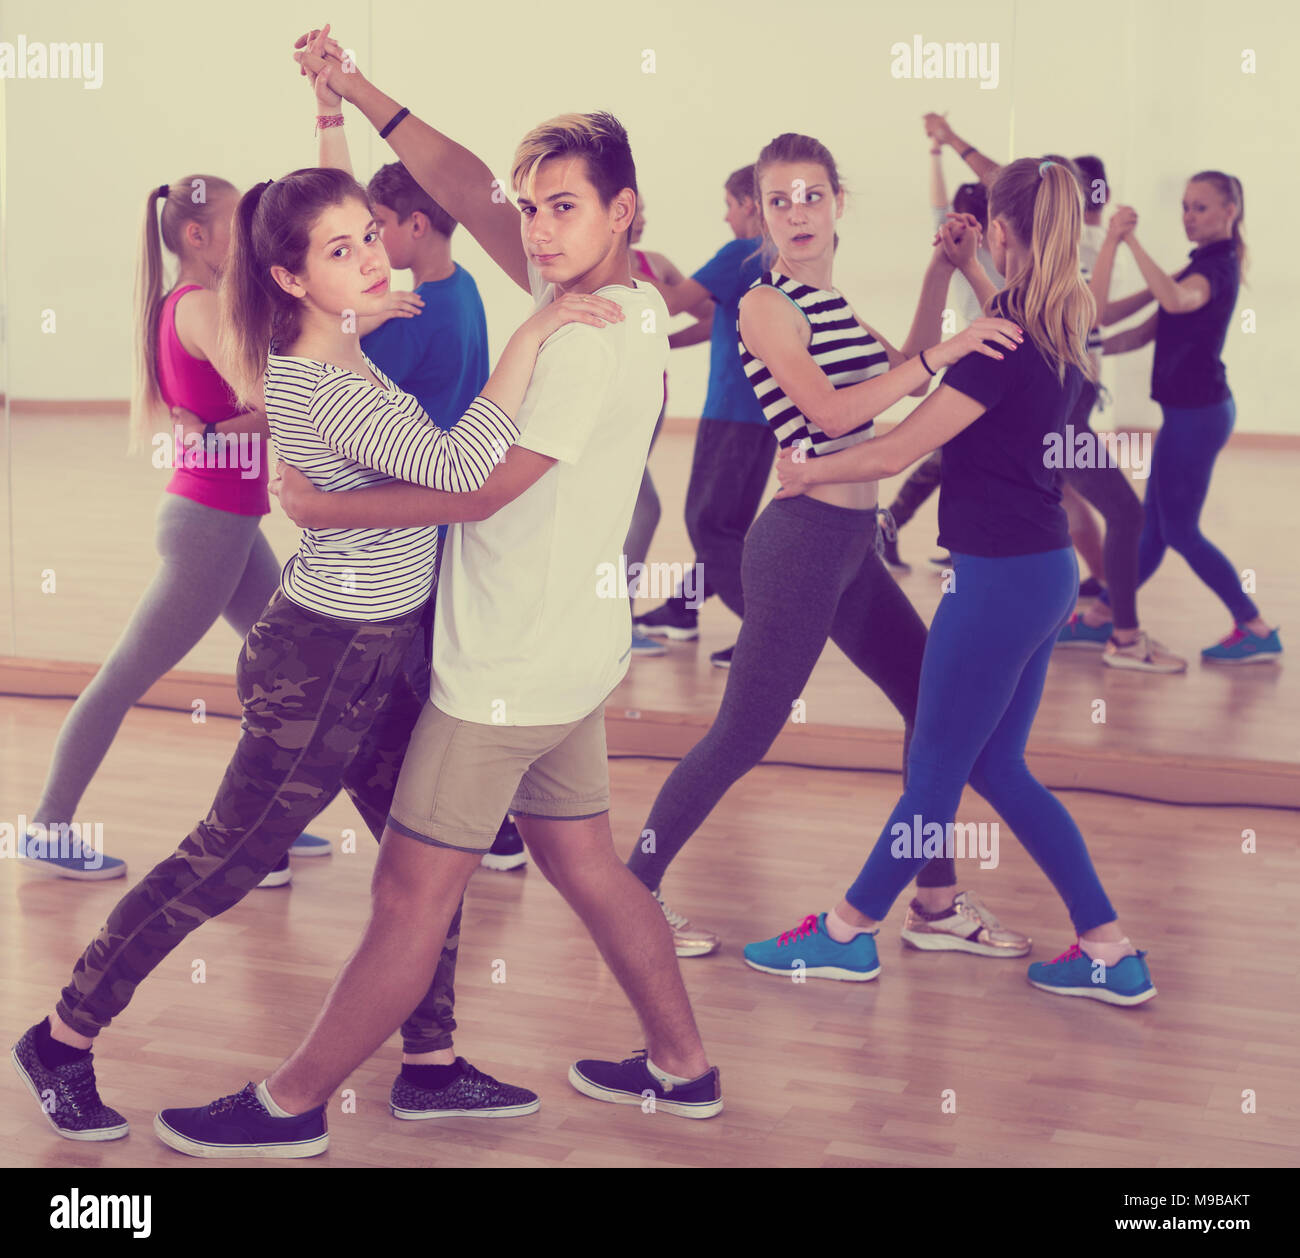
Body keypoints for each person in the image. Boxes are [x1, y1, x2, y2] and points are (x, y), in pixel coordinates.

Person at [148, 30, 720, 1159]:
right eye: (533, 207)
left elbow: (471, 495)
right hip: (572, 651)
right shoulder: (637, 299)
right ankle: (682, 1066)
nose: (540, 227)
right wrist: (358, 93)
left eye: (566, 206)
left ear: (625, 212)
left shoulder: (579, 344)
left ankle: (288, 1105)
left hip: (502, 670)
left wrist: (313, 508)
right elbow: (468, 191)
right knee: (585, 863)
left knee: (409, 895)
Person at [10, 146, 608, 1141]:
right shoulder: (323, 384)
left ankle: (431, 1059)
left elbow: (350, 308)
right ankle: (62, 1036)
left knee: (433, 851)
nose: (372, 257)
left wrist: (337, 114)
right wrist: (538, 324)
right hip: (325, 658)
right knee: (224, 861)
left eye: (370, 234)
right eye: (341, 250)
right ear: (291, 277)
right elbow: (462, 465)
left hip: (383, 648)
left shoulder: (336, 341)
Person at [747, 158, 1157, 1009]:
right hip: (1044, 575)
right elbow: (988, 373)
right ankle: (1110, 949)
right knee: (1001, 768)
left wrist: (807, 476)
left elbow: (900, 449)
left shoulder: (999, 338)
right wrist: (964, 267)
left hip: (997, 584)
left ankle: (846, 931)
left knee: (934, 778)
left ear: (1001, 231)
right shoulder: (1056, 320)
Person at [626, 132, 1031, 966]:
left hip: (853, 542)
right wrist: (940, 350)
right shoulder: (765, 305)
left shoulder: (834, 304)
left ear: (838, 202)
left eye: (812, 195)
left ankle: (935, 902)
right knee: (744, 732)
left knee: (932, 710)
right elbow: (836, 413)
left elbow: (905, 372)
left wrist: (942, 274)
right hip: (802, 543)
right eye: (780, 200)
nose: (798, 212)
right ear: (763, 218)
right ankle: (633, 891)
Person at [18, 175, 342, 885]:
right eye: (237, 229)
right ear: (197, 237)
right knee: (124, 675)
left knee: (288, 666)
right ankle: (47, 825)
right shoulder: (197, 308)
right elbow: (279, 397)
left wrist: (229, 423)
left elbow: (256, 399)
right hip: (207, 529)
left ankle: (264, 825)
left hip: (224, 521)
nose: (252, 247)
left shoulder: (189, 306)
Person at [310, 70, 529, 867]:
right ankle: (486, 828)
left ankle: (478, 828)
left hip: (414, 514)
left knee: (400, 686)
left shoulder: (412, 316)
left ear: (412, 224)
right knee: (421, 674)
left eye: (374, 229)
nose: (369, 245)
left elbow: (330, 363)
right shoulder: (460, 289)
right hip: (435, 508)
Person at [927, 115, 1185, 672]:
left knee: (1081, 508)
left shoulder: (1052, 277)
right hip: (1065, 420)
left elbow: (1005, 191)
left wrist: (952, 144)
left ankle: (1100, 617)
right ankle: (1122, 633)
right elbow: (1084, 305)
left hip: (1069, 415)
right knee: (1123, 514)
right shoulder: (1069, 260)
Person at [1090, 173, 1280, 664]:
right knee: (1153, 529)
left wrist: (1128, 241)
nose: (1188, 217)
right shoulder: (1197, 263)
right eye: (1185, 207)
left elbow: (1174, 300)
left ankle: (1254, 625)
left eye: (1199, 208)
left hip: (1199, 417)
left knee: (1178, 531)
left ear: (1229, 212)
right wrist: (1086, 347)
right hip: (1187, 414)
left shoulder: (1217, 267)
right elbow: (1142, 332)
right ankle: (1103, 615)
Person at [633, 166, 773, 668]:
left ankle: (768, 639)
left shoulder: (742, 253)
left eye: (731, 205)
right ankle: (681, 610)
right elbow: (715, 323)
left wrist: (614, 276)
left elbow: (668, 305)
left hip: (732, 414)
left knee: (708, 526)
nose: (726, 215)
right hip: (763, 417)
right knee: (727, 526)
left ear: (751, 206)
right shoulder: (778, 259)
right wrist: (662, 345)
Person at [881, 119, 1004, 573]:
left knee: (955, 458)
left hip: (977, 354)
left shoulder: (961, 238)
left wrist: (936, 151)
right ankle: (895, 529)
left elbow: (938, 200)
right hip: (982, 354)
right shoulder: (995, 243)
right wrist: (944, 144)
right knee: (948, 458)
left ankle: (930, 537)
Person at [625, 196, 714, 657]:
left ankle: (613, 623)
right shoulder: (587, 266)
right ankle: (614, 626)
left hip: (652, 403)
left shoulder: (654, 265)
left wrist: (665, 344)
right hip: (610, 408)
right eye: (634, 210)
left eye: (643, 210)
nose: (642, 218)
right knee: (641, 510)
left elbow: (716, 316)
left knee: (630, 509)